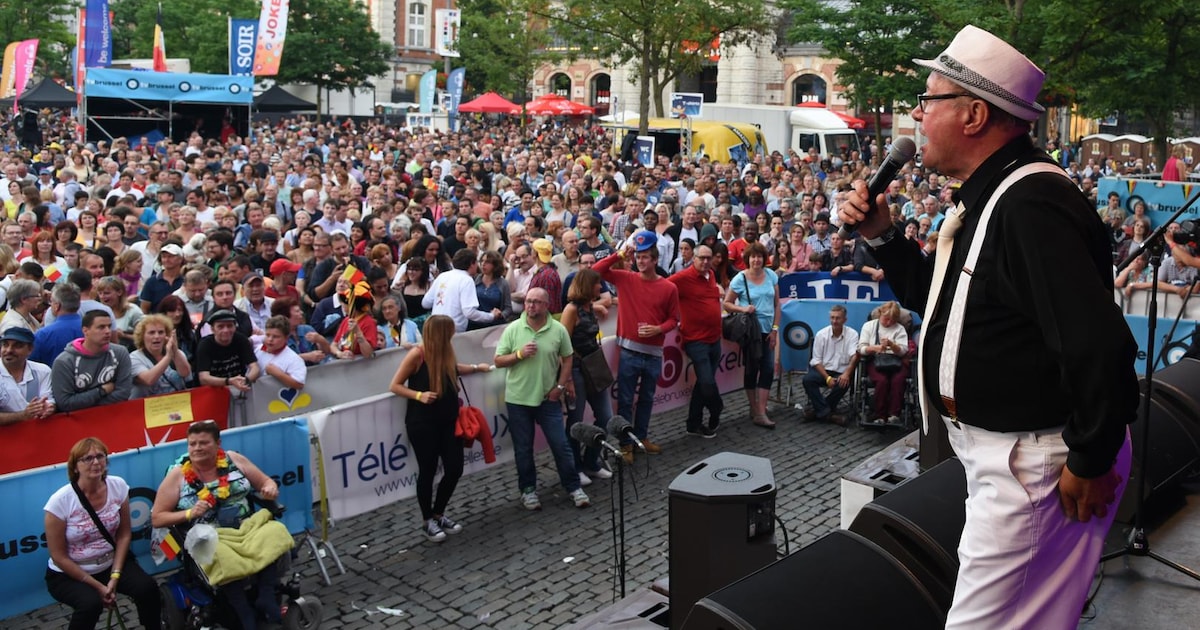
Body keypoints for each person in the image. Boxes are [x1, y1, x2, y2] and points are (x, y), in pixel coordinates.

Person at [838, 25, 1136, 628]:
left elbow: (1097, 343)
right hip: (1016, 460)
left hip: (1037, 463)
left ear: (973, 114)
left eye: (928, 100)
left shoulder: (1029, 204)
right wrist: (885, 238)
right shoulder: (994, 194)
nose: (916, 116)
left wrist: (1092, 456)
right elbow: (943, 305)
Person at [150, 421, 282, 629]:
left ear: (217, 443)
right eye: (192, 444)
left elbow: (266, 481)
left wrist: (270, 489)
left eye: (203, 443)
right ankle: (244, 612)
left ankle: (266, 595)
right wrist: (189, 513)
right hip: (209, 533)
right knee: (217, 552)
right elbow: (157, 517)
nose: (197, 448)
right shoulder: (178, 474)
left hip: (246, 525)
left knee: (276, 531)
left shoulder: (233, 459)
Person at [389, 315, 491, 541]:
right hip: (422, 423)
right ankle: (427, 520)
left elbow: (454, 369)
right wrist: (418, 395)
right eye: (450, 332)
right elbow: (395, 385)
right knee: (428, 470)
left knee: (455, 468)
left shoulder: (446, 351)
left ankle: (439, 512)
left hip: (448, 420)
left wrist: (476, 368)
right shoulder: (417, 354)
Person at [45, 438, 162, 630]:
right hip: (70, 573)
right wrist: (98, 587)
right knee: (90, 604)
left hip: (110, 563)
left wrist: (115, 576)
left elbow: (124, 534)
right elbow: (58, 556)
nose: (96, 462)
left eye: (100, 456)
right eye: (87, 458)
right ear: (75, 466)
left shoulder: (118, 486)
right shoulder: (60, 502)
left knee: (147, 587)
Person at [494, 287, 590, 511]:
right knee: (523, 448)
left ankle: (573, 487)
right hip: (518, 399)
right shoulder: (514, 329)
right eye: (528, 301)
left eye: (536, 302)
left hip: (548, 398)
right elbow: (498, 360)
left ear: (547, 305)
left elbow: (567, 358)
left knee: (560, 444)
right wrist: (518, 355)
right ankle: (528, 490)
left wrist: (560, 385)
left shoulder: (557, 330)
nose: (531, 305)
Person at [593, 230, 680, 461]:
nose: (640, 261)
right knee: (625, 401)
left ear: (655, 260)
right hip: (629, 352)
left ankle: (641, 437)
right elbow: (595, 272)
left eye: (645, 257)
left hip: (654, 353)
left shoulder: (669, 287)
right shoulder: (626, 278)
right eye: (638, 257)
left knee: (647, 399)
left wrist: (658, 329)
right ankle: (625, 444)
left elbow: (674, 319)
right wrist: (619, 253)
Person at [560, 270, 616, 487]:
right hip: (576, 369)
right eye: (597, 284)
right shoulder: (571, 310)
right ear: (587, 286)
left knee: (606, 416)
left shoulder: (589, 307)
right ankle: (575, 466)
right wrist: (568, 380)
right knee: (575, 421)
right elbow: (563, 345)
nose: (599, 288)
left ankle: (591, 460)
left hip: (594, 365)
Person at [667, 244, 724, 437]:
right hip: (695, 340)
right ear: (694, 258)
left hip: (715, 338)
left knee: (702, 383)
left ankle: (694, 423)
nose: (706, 262)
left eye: (709, 258)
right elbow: (663, 289)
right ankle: (717, 409)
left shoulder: (711, 275)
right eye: (702, 258)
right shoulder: (682, 278)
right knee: (707, 383)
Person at [724, 242, 781, 428]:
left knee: (768, 368)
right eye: (753, 257)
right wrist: (743, 308)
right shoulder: (740, 279)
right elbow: (727, 303)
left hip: (767, 329)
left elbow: (777, 305)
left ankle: (761, 410)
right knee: (752, 368)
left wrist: (774, 329)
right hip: (751, 331)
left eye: (759, 257)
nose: (756, 260)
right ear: (747, 259)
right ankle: (754, 407)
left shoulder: (771, 275)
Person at [51, 310, 133, 412]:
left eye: (109, 326)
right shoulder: (64, 362)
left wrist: (87, 404)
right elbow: (65, 403)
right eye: (101, 327)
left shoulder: (120, 353)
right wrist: (101, 391)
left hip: (113, 416)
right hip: (78, 423)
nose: (108, 331)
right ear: (85, 331)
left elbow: (123, 393)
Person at [802, 305, 859, 425]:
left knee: (845, 382)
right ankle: (828, 415)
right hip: (823, 370)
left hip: (841, 371)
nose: (834, 321)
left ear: (844, 320)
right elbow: (816, 360)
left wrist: (847, 373)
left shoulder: (852, 334)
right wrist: (827, 377)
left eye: (838, 318)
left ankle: (818, 410)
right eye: (832, 318)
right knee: (808, 380)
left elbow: (854, 356)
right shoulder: (821, 334)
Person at [856, 301, 909, 424]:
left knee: (898, 380)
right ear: (880, 314)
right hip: (876, 359)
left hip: (895, 361)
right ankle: (880, 414)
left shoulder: (899, 329)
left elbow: (903, 351)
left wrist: (892, 345)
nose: (889, 323)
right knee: (881, 381)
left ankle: (894, 414)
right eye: (886, 319)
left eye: (892, 320)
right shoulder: (869, 326)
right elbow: (861, 348)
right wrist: (874, 348)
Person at [423, 249, 493, 332]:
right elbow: (469, 312)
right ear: (472, 264)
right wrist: (491, 316)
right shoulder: (467, 280)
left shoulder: (442, 276)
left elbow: (426, 303)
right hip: (453, 331)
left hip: (435, 326)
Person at [195, 309, 260, 393]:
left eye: (229, 326)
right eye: (220, 327)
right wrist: (229, 381)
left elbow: (255, 367)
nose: (226, 330)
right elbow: (203, 378)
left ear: (235, 327)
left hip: (240, 387)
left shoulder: (241, 339)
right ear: (212, 329)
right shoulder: (205, 345)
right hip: (214, 391)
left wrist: (246, 380)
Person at [0, 327, 55, 424]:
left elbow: (49, 400)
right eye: (5, 345)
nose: (9, 350)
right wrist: (22, 415)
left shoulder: (43, 371)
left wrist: (48, 408)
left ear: (30, 349)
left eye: (17, 346)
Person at [130, 314, 191, 399]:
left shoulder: (177, 353)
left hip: (177, 404)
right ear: (142, 336)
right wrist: (168, 357)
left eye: (161, 332)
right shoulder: (134, 357)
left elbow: (185, 373)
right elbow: (149, 379)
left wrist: (175, 351)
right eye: (151, 333)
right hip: (149, 407)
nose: (157, 336)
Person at [32, 282, 83, 367]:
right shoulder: (91, 329)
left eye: (51, 301)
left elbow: (32, 365)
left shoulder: (43, 334)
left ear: (57, 306)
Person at [254, 315, 307, 389]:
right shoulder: (258, 350)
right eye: (268, 335)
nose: (270, 339)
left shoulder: (294, 359)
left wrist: (278, 374)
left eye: (275, 336)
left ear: (286, 338)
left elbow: (299, 384)